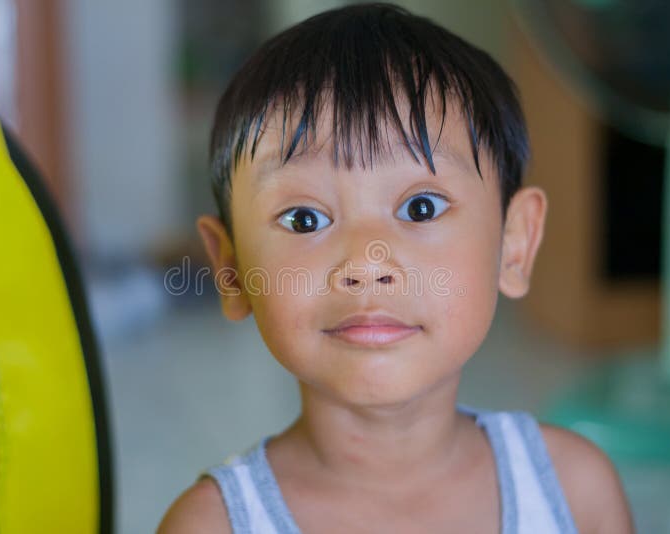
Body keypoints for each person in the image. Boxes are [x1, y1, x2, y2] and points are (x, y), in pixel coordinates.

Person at [158, 3, 634, 532]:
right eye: (304, 218)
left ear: (514, 243)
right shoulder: (212, 525)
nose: (366, 262)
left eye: (421, 208)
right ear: (231, 268)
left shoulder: (576, 490)